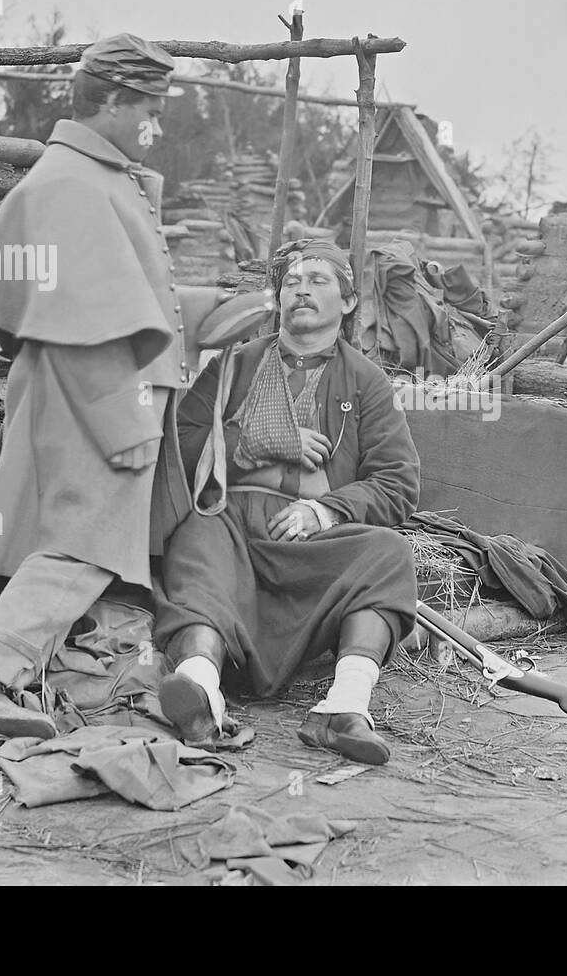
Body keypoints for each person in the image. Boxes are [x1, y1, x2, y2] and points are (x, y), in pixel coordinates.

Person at [0, 33, 197, 741]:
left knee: (59, 541)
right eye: (152, 110)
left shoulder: (82, 175)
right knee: (83, 547)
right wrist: (128, 420)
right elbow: (86, 327)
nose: (158, 128)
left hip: (78, 392)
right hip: (95, 397)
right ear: (113, 103)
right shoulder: (76, 185)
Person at [154, 238, 420, 765]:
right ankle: (201, 685)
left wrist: (325, 511)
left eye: (318, 280)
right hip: (228, 527)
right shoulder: (232, 366)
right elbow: (180, 448)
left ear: (347, 304)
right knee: (194, 537)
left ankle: (344, 706)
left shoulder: (366, 382)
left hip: (309, 546)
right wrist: (255, 440)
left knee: (388, 553)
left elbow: (398, 482)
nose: (302, 289)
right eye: (291, 282)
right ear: (277, 298)